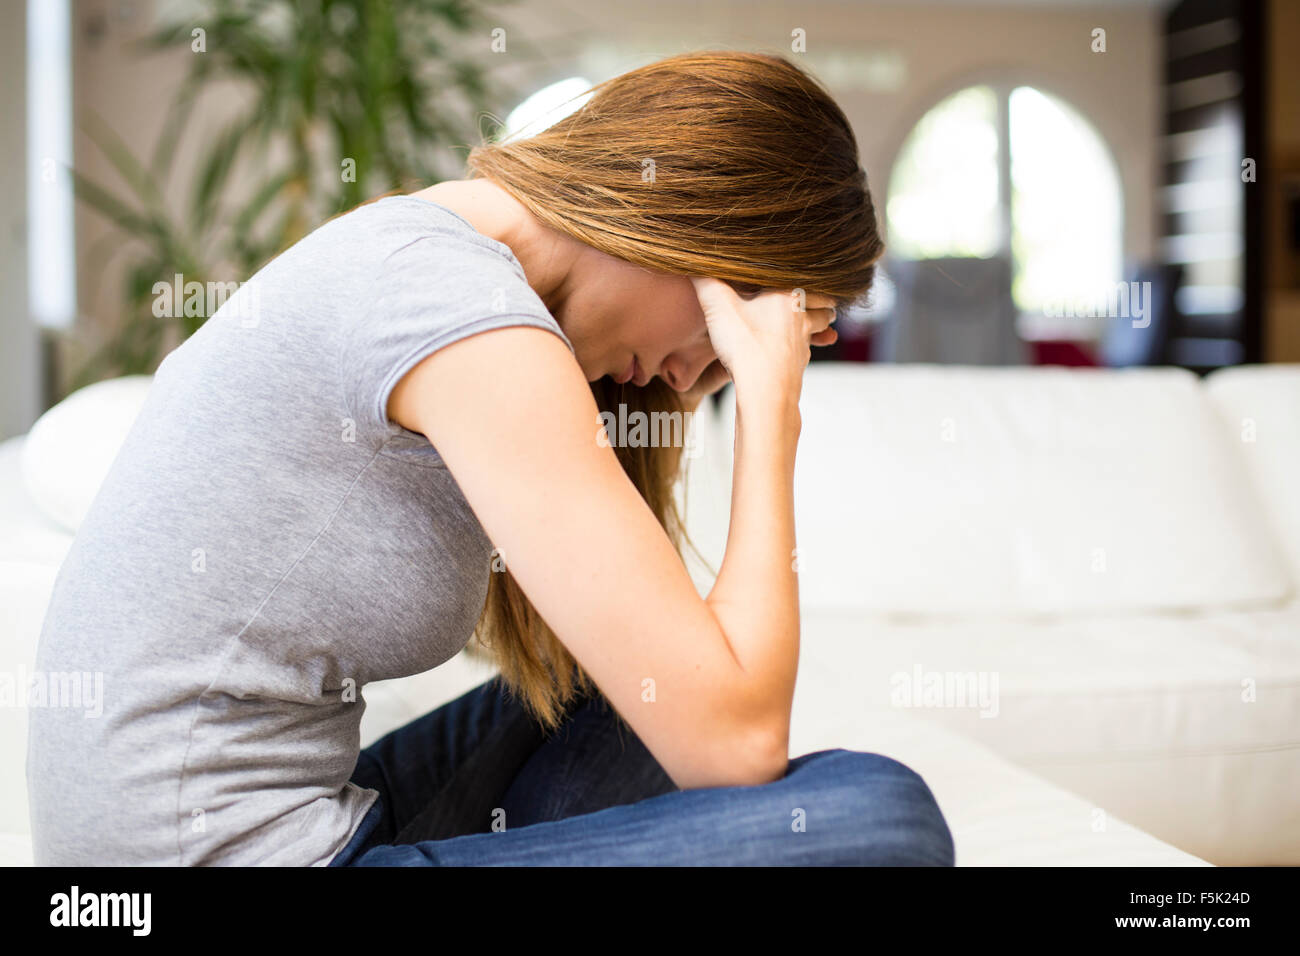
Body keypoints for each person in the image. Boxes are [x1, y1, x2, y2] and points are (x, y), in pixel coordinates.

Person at [26, 50, 954, 866]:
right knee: (885, 818)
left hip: (247, 833)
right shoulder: (464, 320)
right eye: (719, 328)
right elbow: (734, 749)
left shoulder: (431, 252)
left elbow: (688, 684)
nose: (686, 376)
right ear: (691, 224)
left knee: (629, 689)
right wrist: (771, 405)